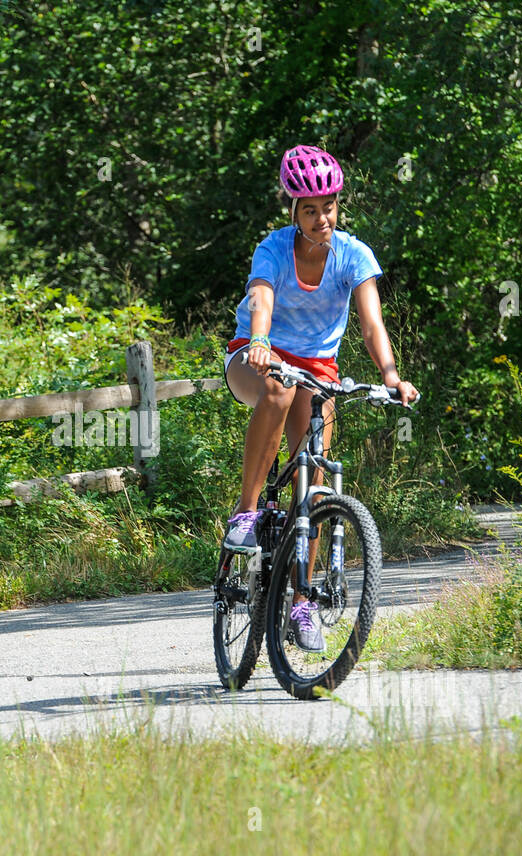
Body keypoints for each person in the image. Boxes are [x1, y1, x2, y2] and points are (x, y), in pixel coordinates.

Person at [222, 145, 418, 648]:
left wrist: (392, 376)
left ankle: (303, 603)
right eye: (309, 209)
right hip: (257, 355)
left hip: (316, 371)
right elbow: (261, 297)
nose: (320, 217)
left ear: (337, 206)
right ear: (293, 210)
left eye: (327, 206)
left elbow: (372, 324)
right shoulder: (273, 248)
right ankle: (245, 513)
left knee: (314, 486)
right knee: (277, 390)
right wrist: (261, 342)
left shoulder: (354, 255)